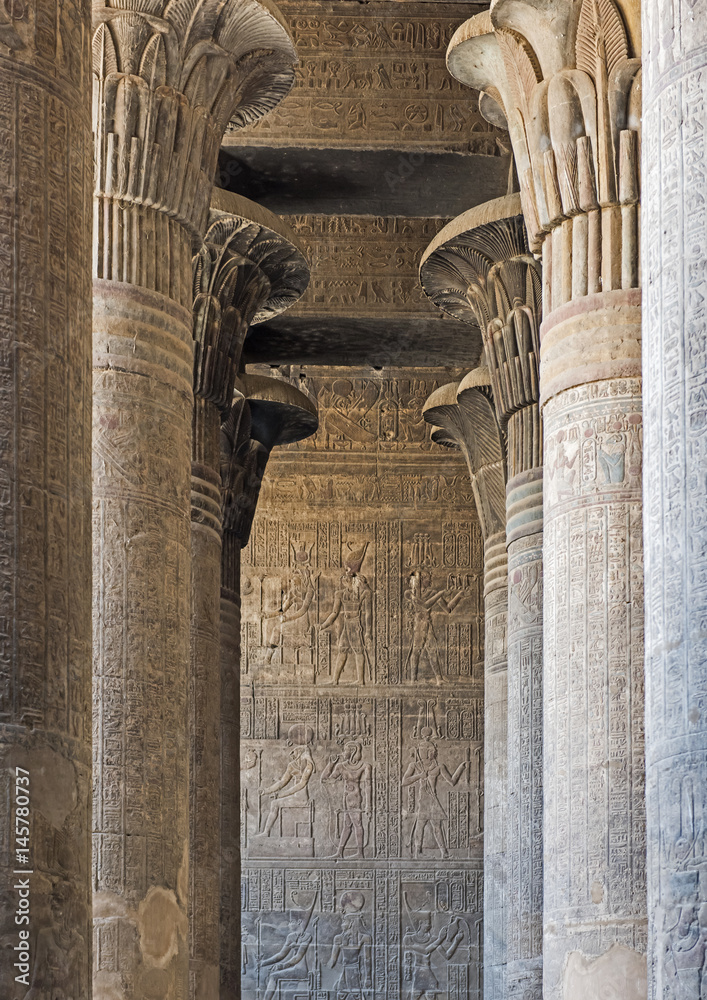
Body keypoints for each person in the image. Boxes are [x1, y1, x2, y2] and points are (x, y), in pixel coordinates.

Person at [402, 732, 469, 858]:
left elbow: (452, 782)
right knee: (420, 825)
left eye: (431, 751)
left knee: (437, 827)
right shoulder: (415, 765)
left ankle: (444, 853)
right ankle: (417, 853)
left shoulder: (438, 767)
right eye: (428, 750)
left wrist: (461, 767)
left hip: (433, 799)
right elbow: (404, 782)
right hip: (423, 800)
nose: (433, 753)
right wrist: (419, 776)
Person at [320, 543, 373, 685]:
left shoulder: (363, 593)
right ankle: (335, 680)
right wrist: (323, 625)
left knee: (358, 650)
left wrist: (368, 633)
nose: (344, 576)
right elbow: (334, 613)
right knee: (342, 650)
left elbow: (368, 614)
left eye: (347, 573)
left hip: (355, 625)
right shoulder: (340, 594)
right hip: (347, 625)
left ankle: (360, 680)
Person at [261, 725, 315, 837]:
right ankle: (266, 832)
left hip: (301, 798)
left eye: (295, 753)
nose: (293, 755)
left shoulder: (308, 765)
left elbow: (302, 784)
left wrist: (281, 794)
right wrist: (267, 790)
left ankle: (266, 832)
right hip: (294, 796)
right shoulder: (292, 765)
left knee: (275, 803)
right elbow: (282, 782)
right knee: (274, 803)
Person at [321, 740, 372, 858]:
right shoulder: (340, 766)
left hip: (355, 798)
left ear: (353, 751)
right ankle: (340, 852)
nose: (343, 753)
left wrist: (368, 805)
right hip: (346, 798)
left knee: (357, 824)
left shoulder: (365, 766)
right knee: (347, 825)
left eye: (345, 750)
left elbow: (368, 786)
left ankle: (360, 854)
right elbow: (325, 780)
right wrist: (330, 764)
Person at [261, 912, 313, 1000]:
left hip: (301, 969)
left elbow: (298, 957)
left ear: (299, 922)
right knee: (270, 974)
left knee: (274, 976)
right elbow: (281, 955)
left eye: (291, 922)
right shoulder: (291, 936)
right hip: (293, 968)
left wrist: (283, 966)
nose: (289, 925)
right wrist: (263, 962)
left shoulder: (307, 936)